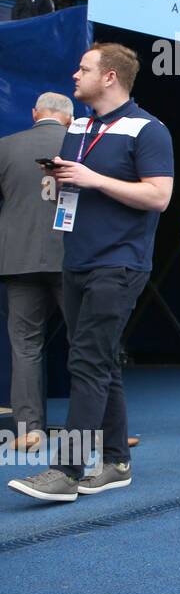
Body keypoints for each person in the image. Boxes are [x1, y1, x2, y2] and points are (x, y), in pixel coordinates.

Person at [8, 43, 173, 503]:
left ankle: (67, 469)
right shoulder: (77, 126)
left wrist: (92, 179)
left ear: (110, 78)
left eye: (84, 68)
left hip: (118, 263)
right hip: (76, 259)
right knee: (100, 363)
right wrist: (64, 177)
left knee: (86, 362)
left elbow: (159, 197)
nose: (74, 74)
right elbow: (77, 184)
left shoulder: (149, 129)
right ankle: (117, 461)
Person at [0, 93, 74, 452]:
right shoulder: (82, 145)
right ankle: (101, 428)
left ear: (34, 113)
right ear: (70, 119)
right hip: (72, 259)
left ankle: (28, 431)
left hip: (18, 259)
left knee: (25, 345)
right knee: (87, 344)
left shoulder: (6, 146)